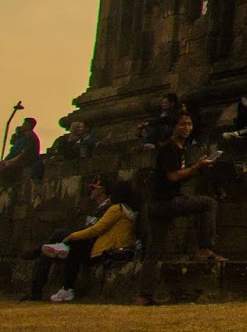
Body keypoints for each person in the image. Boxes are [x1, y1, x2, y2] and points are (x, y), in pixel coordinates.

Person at [133, 112, 224, 305]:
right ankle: (204, 248)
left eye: (190, 124)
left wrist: (198, 168)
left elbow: (177, 176)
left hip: (158, 204)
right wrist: (196, 167)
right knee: (208, 204)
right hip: (166, 203)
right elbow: (173, 177)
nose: (187, 128)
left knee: (153, 251)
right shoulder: (169, 148)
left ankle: (144, 295)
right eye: (182, 124)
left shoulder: (180, 149)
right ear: (174, 127)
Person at [44, 179, 139, 302]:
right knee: (74, 246)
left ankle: (67, 287)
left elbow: (96, 229)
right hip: (118, 248)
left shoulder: (116, 209)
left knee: (74, 248)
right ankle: (62, 248)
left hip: (107, 250)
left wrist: (72, 236)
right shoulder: (129, 211)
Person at [19, 179, 111, 301]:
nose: (91, 191)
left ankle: (37, 252)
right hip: (84, 243)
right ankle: (36, 289)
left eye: (95, 189)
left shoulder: (109, 208)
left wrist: (72, 237)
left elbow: (94, 231)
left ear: (103, 192)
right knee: (49, 250)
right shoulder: (96, 209)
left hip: (93, 247)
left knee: (58, 235)